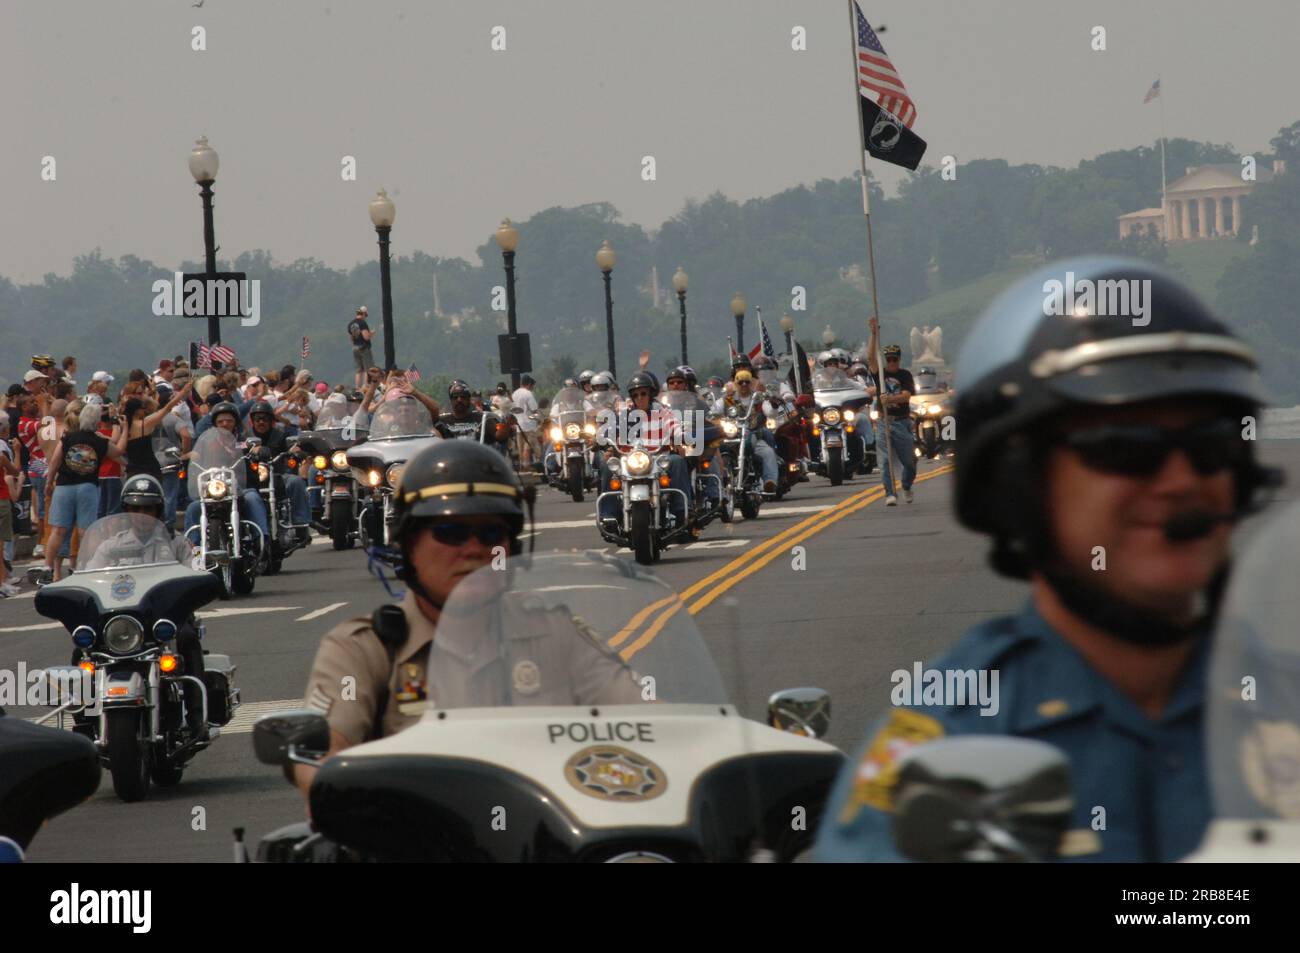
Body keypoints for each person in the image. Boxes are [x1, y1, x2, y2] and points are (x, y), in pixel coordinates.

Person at [814, 257, 1280, 863]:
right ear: (1021, 483)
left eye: (1211, 444)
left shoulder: (1280, 706)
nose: (1180, 481)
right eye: (1125, 445)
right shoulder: (943, 748)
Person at [294, 440, 644, 800]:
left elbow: (643, 719)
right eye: (451, 532)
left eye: (491, 533)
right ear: (409, 545)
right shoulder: (365, 650)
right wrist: (335, 794)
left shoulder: (555, 633)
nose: (475, 548)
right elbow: (320, 754)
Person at [42, 402, 130, 582]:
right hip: (88, 487)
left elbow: (55, 461)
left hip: (64, 486)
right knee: (86, 531)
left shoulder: (68, 438)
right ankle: (86, 567)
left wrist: (49, 482)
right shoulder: (100, 441)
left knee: (58, 530)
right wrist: (124, 429)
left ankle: (47, 567)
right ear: (97, 421)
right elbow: (119, 451)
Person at [596, 371, 693, 530]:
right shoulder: (624, 415)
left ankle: (681, 510)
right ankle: (609, 514)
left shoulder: (663, 412)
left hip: (658, 459)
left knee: (677, 461)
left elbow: (674, 426)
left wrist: (681, 437)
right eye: (636, 395)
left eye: (643, 394)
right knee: (607, 465)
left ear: (651, 394)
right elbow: (610, 430)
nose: (640, 398)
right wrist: (601, 439)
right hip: (630, 460)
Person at [182, 402, 270, 542]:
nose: (225, 424)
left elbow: (250, 446)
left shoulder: (241, 439)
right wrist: (186, 457)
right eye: (220, 421)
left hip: (240, 488)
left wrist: (257, 449)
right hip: (213, 488)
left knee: (252, 498)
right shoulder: (206, 441)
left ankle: (262, 539)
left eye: (229, 420)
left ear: (235, 422)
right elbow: (195, 453)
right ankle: (193, 547)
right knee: (193, 507)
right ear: (215, 424)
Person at [246, 401, 312, 544]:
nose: (261, 422)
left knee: (296, 481)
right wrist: (248, 450)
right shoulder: (246, 437)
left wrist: (296, 451)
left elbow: (291, 448)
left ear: (271, 420)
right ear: (252, 421)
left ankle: (301, 524)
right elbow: (235, 451)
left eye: (265, 419)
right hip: (253, 478)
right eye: (258, 419)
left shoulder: (279, 435)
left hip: (277, 475)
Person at [866, 319, 916, 506]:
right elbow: (870, 358)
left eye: (895, 359)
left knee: (909, 462)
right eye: (888, 359)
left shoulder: (905, 375)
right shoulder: (880, 374)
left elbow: (906, 395)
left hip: (902, 421)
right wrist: (873, 334)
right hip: (884, 421)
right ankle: (890, 493)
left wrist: (891, 399)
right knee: (885, 461)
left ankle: (906, 485)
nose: (892, 362)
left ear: (899, 359)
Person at [725, 370, 779, 494]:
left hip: (753, 435)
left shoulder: (758, 398)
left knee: (768, 452)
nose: (744, 385)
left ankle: (770, 481)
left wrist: (773, 405)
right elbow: (714, 410)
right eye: (740, 382)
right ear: (736, 383)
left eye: (746, 382)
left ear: (751, 383)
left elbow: (770, 412)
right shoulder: (727, 399)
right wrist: (710, 414)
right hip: (732, 437)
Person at [511, 374, 540, 469]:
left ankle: (522, 466)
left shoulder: (514, 394)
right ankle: (529, 466)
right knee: (530, 447)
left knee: (521, 447)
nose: (532, 387)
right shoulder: (528, 394)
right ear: (529, 384)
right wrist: (539, 420)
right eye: (532, 385)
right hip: (529, 425)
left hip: (518, 425)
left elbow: (512, 410)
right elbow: (534, 409)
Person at [348, 306, 375, 389]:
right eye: (366, 315)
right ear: (364, 314)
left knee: (359, 370)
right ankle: (367, 386)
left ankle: (357, 388)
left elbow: (351, 338)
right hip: (364, 347)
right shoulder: (362, 323)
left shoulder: (350, 324)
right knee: (368, 369)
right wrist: (372, 333)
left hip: (355, 347)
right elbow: (366, 337)